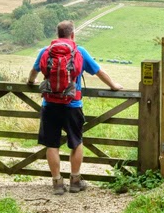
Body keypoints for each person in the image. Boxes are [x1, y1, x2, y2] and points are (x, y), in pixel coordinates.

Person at [27, 20, 123, 194]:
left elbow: (34, 72)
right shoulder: (79, 51)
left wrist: (30, 82)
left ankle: (57, 183)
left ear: (57, 34)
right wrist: (114, 86)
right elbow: (99, 71)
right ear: (73, 35)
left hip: (49, 104)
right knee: (76, 143)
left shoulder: (45, 52)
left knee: (52, 144)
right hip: (73, 105)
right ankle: (75, 181)